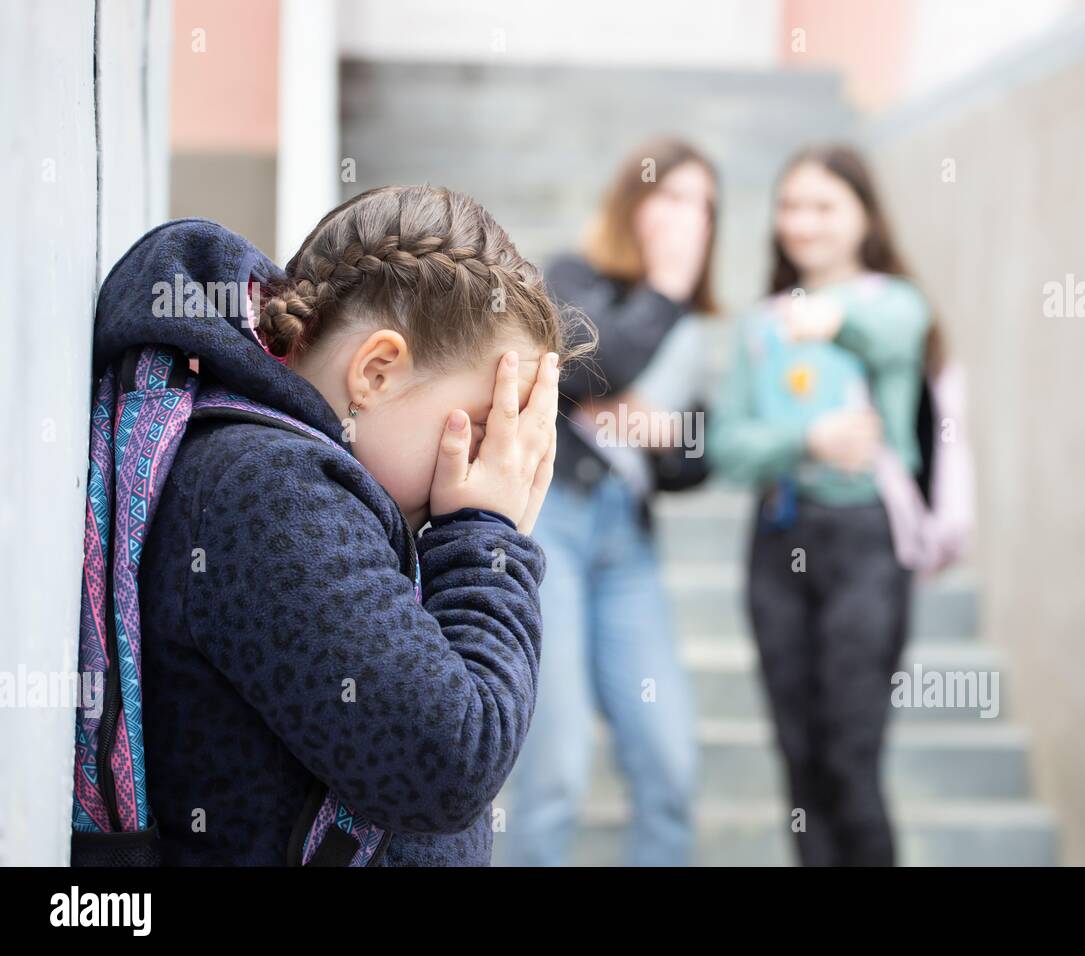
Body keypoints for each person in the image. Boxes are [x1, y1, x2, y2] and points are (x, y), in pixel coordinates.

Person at [104, 185, 575, 864]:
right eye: (479, 429)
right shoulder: (266, 490)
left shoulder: (285, 473)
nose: (488, 466)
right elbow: (445, 764)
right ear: (376, 372)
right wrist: (486, 537)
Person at [710, 144, 945, 866]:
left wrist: (832, 322)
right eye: (790, 206)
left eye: (823, 206)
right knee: (800, 759)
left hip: (866, 541)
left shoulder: (896, 304)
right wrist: (807, 437)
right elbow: (726, 447)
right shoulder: (759, 324)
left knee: (850, 758)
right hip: (779, 539)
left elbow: (894, 343)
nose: (802, 222)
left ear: (864, 216)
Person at [502, 138, 719, 866]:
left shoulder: (691, 328)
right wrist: (662, 291)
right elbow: (589, 364)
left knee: (670, 763)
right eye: (674, 197)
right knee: (555, 770)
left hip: (629, 544)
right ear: (635, 201)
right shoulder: (573, 275)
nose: (691, 219)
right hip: (555, 526)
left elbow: (699, 463)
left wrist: (660, 435)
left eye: (705, 207)